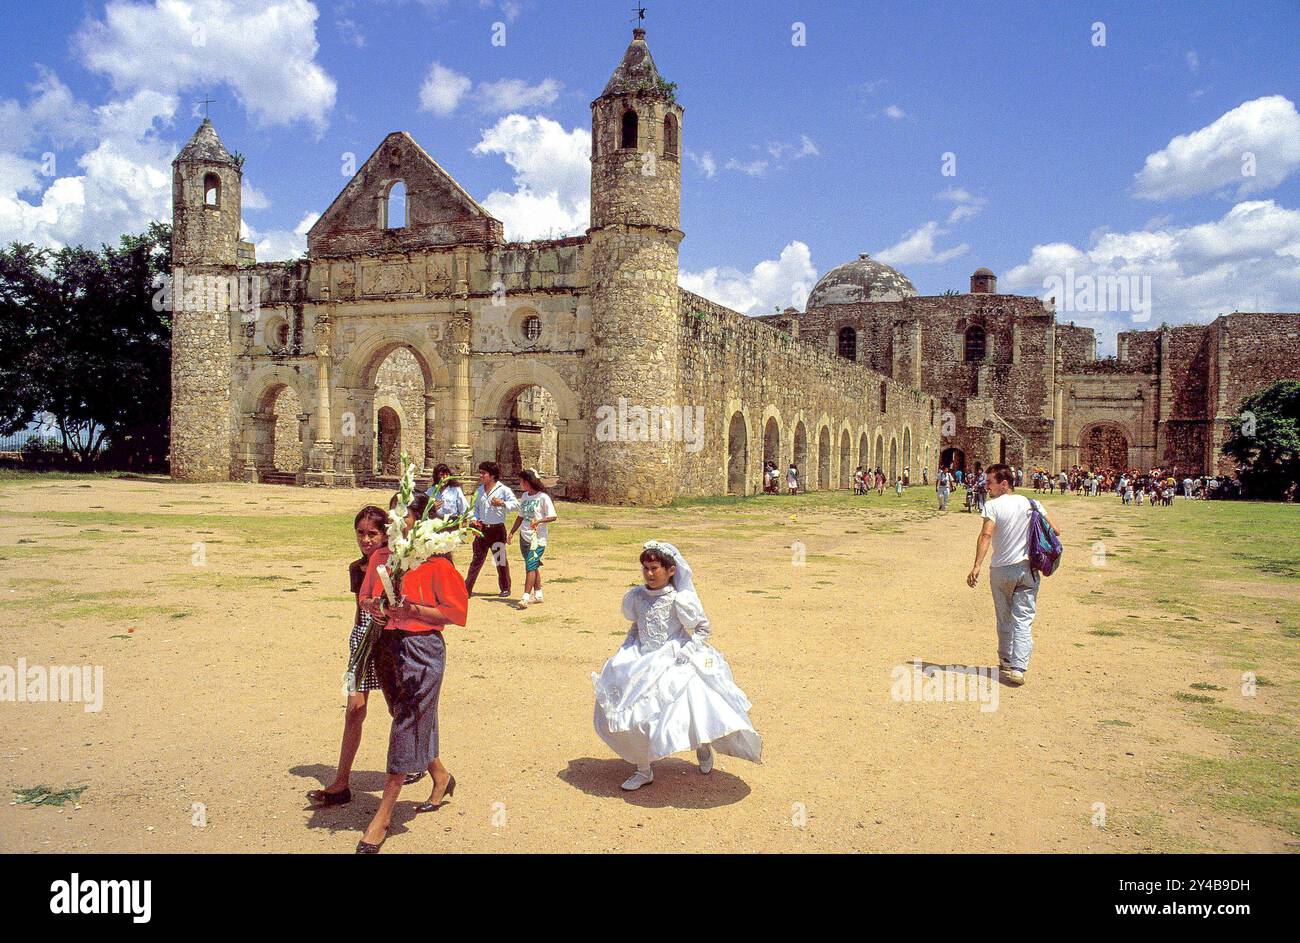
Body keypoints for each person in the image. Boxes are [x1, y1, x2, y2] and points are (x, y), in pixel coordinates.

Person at [592, 540, 762, 791]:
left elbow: (703, 628)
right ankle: (643, 768)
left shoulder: (679, 599)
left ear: (671, 570)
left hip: (673, 656)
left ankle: (702, 746)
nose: (649, 574)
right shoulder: (636, 597)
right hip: (642, 657)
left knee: (686, 711)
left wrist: (688, 650)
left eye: (655, 568)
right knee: (636, 714)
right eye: (645, 569)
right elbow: (637, 625)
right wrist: (628, 648)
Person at [354, 493, 470, 853]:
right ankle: (440, 775)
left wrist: (411, 608)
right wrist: (375, 605)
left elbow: (453, 613)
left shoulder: (437, 564)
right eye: (394, 515)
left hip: (422, 651)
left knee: (405, 723)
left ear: (420, 520)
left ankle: (383, 816)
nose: (396, 522)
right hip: (385, 648)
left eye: (402, 515)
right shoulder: (382, 557)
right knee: (407, 716)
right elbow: (365, 597)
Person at [307, 506, 425, 807]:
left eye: (372, 533)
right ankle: (341, 783)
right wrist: (356, 645)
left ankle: (432, 767)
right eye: (360, 533)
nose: (366, 539)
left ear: (386, 534)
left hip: (388, 641)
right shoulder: (356, 568)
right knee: (354, 710)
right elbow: (359, 608)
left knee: (399, 711)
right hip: (363, 639)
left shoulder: (397, 563)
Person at [967, 463, 1060, 687]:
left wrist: (977, 565)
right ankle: (1018, 668)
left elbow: (986, 535)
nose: (986, 486)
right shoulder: (1031, 503)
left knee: (1004, 616)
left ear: (1004, 483)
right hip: (1028, 569)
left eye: (990, 482)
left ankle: (1005, 660)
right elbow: (1055, 531)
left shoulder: (992, 506)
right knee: (1024, 620)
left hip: (1001, 569)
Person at [464, 461, 518, 598]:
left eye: (483, 473)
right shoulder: (479, 490)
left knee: (500, 560)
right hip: (482, 530)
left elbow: (516, 504)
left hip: (497, 530)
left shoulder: (503, 490)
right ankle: (467, 589)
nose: (480, 475)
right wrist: (474, 519)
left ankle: (505, 588)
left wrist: (502, 503)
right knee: (476, 560)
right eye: (480, 472)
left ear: (492, 475)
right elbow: (474, 509)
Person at [508, 468, 557, 610]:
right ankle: (538, 594)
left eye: (522, 481)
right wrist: (512, 532)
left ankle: (525, 597)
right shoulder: (524, 497)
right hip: (524, 536)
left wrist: (539, 521)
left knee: (530, 566)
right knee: (532, 565)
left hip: (538, 538)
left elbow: (553, 516)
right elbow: (520, 516)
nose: (520, 484)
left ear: (528, 481)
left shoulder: (543, 497)